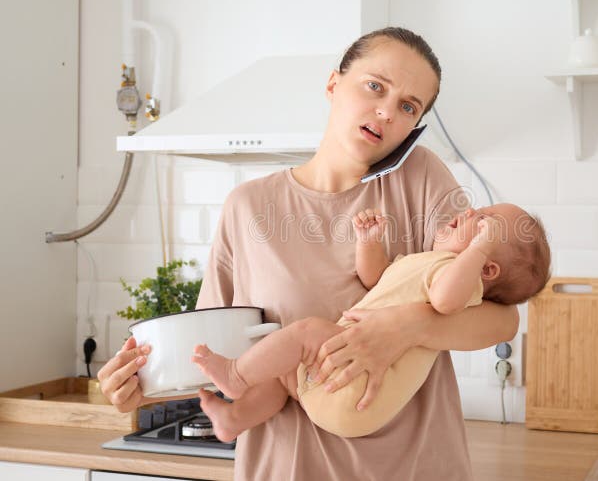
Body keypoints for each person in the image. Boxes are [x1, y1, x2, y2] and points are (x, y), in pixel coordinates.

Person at [97, 26, 523, 481]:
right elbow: (210, 355)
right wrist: (135, 387)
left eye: (407, 107)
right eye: (375, 86)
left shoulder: (420, 179)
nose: (385, 111)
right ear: (333, 84)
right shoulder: (249, 207)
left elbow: (503, 321)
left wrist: (402, 328)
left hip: (416, 466)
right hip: (287, 467)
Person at [191, 202, 550, 442]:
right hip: (338, 385)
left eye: (485, 223)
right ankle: (234, 420)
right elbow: (376, 278)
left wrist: (478, 249)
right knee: (284, 376)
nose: (470, 211)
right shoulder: (427, 262)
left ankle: (237, 376)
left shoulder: (460, 279)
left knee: (306, 331)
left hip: (359, 388)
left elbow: (444, 301)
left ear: (487, 268)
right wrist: (369, 242)